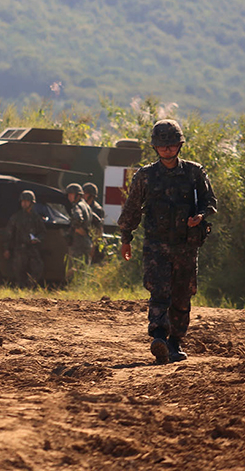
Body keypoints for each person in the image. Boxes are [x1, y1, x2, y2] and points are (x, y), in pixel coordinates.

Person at [119, 119, 217, 364]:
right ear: (155, 147)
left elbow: (210, 202)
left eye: (172, 144)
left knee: (183, 295)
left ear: (179, 144)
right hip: (157, 246)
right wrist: (126, 238)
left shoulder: (195, 172)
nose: (167, 149)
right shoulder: (145, 176)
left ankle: (175, 343)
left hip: (186, 246)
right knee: (159, 291)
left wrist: (200, 216)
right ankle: (160, 337)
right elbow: (132, 208)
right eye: (162, 145)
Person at [3, 190, 46, 287]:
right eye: (23, 201)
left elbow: (43, 232)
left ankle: (30, 286)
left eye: (26, 201)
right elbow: (8, 234)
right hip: (19, 248)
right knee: (19, 271)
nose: (24, 203)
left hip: (32, 248)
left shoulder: (36, 218)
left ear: (31, 203)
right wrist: (6, 249)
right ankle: (21, 289)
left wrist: (37, 239)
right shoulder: (16, 217)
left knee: (37, 268)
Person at [65, 183, 95, 265]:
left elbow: (77, 219)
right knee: (84, 270)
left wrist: (77, 229)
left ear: (78, 195)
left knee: (75, 270)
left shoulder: (77, 206)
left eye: (71, 194)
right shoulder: (86, 206)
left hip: (78, 244)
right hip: (86, 243)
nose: (69, 197)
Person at [82, 182, 107, 262]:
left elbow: (98, 230)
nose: (83, 195)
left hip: (95, 243)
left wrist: (93, 247)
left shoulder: (97, 210)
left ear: (91, 195)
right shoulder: (83, 207)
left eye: (85, 193)